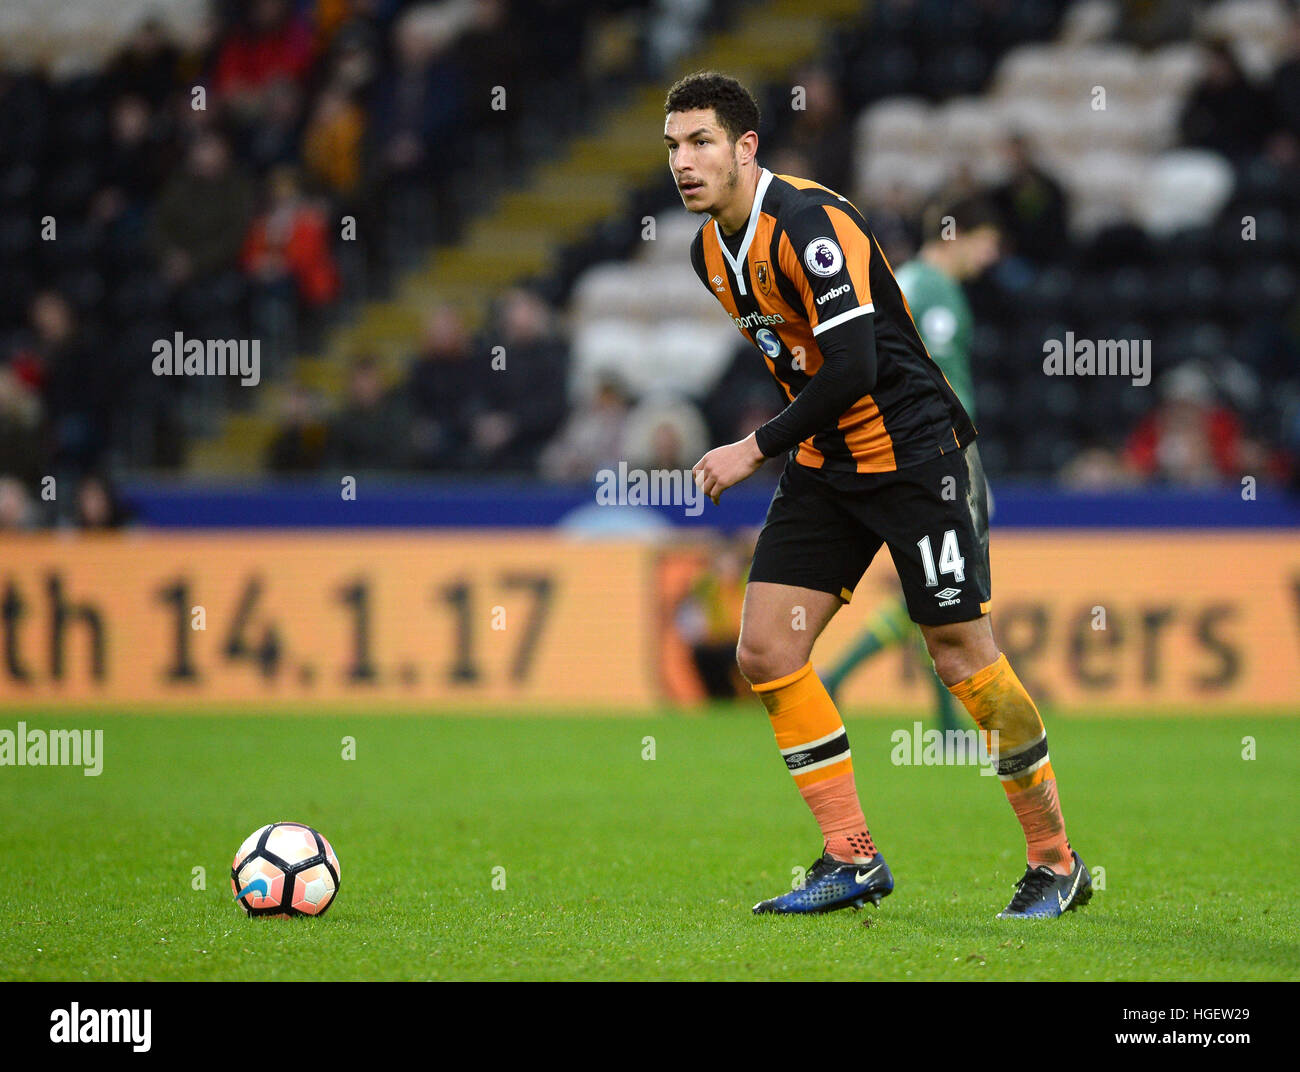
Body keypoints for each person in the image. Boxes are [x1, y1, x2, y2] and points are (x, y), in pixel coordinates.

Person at [666, 71, 1089, 918]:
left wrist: (754, 447)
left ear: (747, 147)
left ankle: (1056, 862)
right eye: (674, 146)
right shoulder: (709, 253)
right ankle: (850, 856)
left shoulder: (809, 223)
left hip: (913, 453)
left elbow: (854, 367)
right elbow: (802, 368)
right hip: (828, 462)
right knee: (765, 651)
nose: (684, 161)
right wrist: (788, 442)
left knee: (962, 656)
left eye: (702, 141)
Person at [821, 198, 1003, 733]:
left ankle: (944, 727)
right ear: (956, 234)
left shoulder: (900, 281)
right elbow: (940, 378)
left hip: (907, 452)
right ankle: (847, 681)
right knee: (952, 591)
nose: (989, 259)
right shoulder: (932, 289)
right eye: (986, 243)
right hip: (943, 455)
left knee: (930, 590)